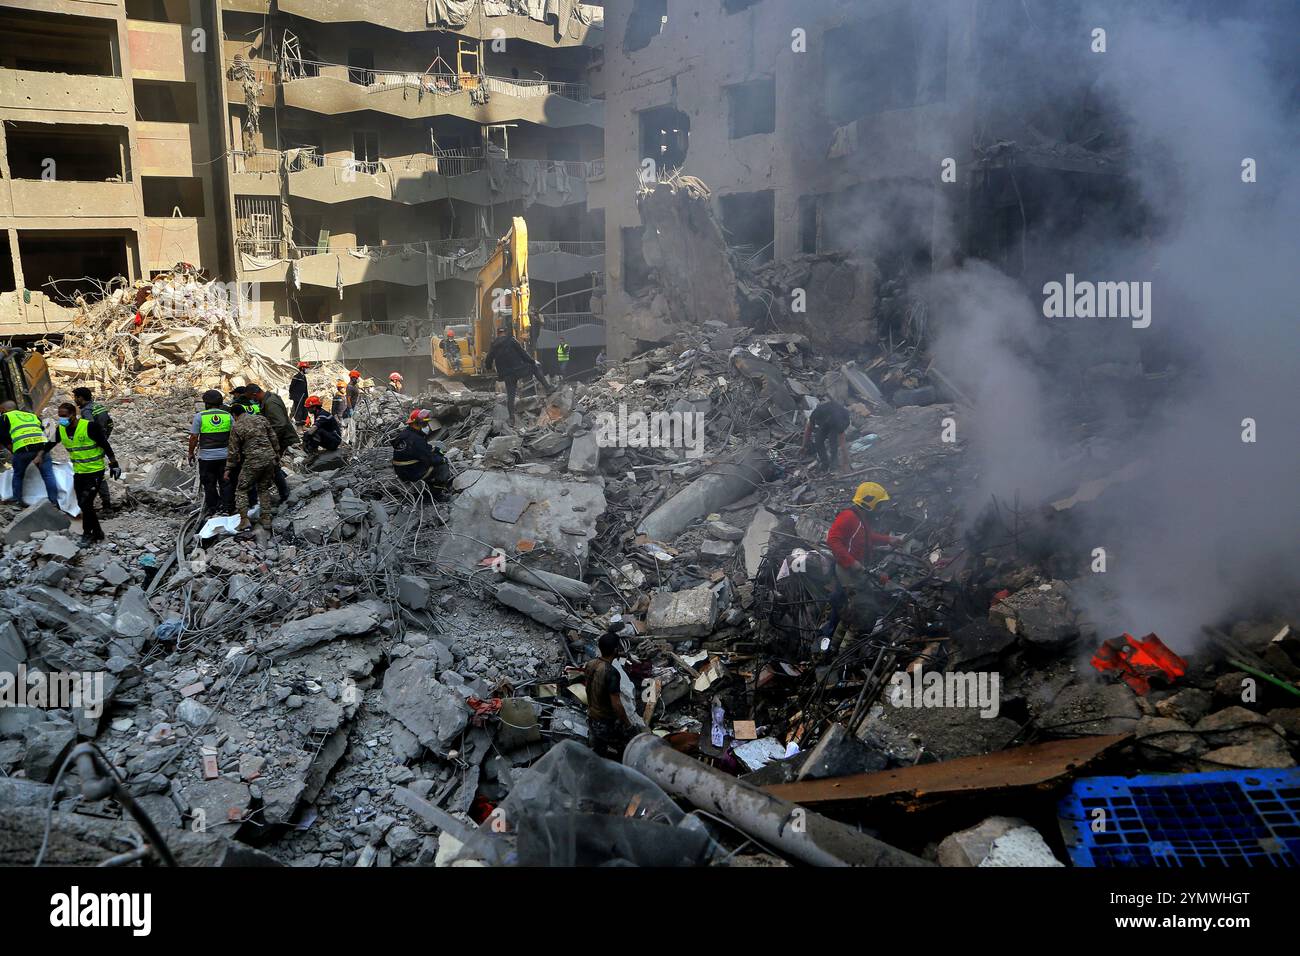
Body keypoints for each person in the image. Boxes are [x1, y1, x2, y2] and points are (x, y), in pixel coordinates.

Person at [824, 482, 904, 639]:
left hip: (854, 569)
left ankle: (831, 638)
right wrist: (851, 562)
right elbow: (832, 541)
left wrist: (889, 539)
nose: (880, 508)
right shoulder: (848, 516)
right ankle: (842, 646)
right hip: (846, 571)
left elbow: (867, 536)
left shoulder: (860, 518)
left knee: (843, 606)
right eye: (879, 504)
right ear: (870, 502)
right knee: (861, 611)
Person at [55, 401, 119, 546]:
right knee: (83, 504)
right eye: (59, 416)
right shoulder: (61, 430)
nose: (61, 419)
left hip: (95, 471)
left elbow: (105, 444)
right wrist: (40, 454)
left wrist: (114, 463)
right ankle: (98, 533)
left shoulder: (89, 426)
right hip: (79, 472)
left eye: (64, 416)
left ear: (73, 414)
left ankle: (87, 534)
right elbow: (49, 444)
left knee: (86, 502)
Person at [224, 403, 280, 532]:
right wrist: (276, 453)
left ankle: (244, 520)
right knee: (263, 488)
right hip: (269, 458)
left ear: (234, 415)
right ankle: (266, 518)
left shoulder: (237, 426)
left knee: (241, 489)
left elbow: (233, 451)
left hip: (254, 461)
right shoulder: (261, 419)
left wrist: (228, 468)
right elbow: (273, 436)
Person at [0, 400, 60, 508]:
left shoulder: (5, 417)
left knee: (18, 475)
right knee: (48, 475)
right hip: (42, 448)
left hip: (23, 449)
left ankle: (17, 501)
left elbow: (2, 436)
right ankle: (54, 503)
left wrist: (13, 450)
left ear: (3, 409)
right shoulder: (32, 415)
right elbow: (49, 429)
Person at [584, 628, 632, 760]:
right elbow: (616, 704)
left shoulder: (590, 664)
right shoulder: (611, 672)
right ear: (616, 650)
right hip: (605, 722)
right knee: (624, 748)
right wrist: (627, 724)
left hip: (591, 717)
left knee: (598, 751)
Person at [483, 327, 547, 425]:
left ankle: (512, 418)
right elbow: (523, 353)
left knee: (511, 396)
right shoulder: (511, 340)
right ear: (505, 332)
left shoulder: (494, 345)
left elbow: (488, 359)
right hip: (518, 370)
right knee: (535, 368)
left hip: (506, 375)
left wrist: (488, 368)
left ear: (498, 334)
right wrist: (532, 361)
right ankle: (548, 387)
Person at [244, 384, 295, 504]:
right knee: (273, 466)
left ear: (254, 394)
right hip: (279, 438)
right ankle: (283, 493)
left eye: (251, 397)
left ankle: (284, 494)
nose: (252, 401)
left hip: (280, 439)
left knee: (272, 466)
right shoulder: (270, 398)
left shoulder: (270, 402)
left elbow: (280, 424)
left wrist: (269, 440)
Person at [186, 390, 233, 518]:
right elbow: (235, 436)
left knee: (209, 483)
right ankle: (227, 508)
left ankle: (213, 508)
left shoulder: (200, 416)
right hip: (225, 456)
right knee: (225, 482)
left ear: (206, 403)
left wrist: (190, 453)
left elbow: (194, 437)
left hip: (206, 457)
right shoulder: (228, 416)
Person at [391, 409, 451, 497]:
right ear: (417, 423)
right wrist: (441, 459)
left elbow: (421, 450)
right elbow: (429, 459)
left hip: (400, 469)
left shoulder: (405, 434)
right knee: (442, 467)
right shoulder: (416, 440)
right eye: (424, 423)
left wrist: (435, 449)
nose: (426, 426)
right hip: (410, 471)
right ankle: (434, 495)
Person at [72, 387, 114, 511]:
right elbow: (110, 424)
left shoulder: (86, 411)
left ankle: (104, 506)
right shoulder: (98, 406)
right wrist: (104, 438)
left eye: (75, 397)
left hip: (93, 447)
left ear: (80, 398)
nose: (75, 400)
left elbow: (89, 428)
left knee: (95, 476)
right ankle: (106, 504)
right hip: (102, 441)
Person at [801, 400, 851, 474]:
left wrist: (846, 462)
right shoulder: (815, 414)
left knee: (833, 440)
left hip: (842, 419)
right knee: (818, 439)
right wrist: (804, 446)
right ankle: (825, 463)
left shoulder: (838, 421)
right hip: (827, 420)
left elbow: (842, 443)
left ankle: (834, 466)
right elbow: (808, 430)